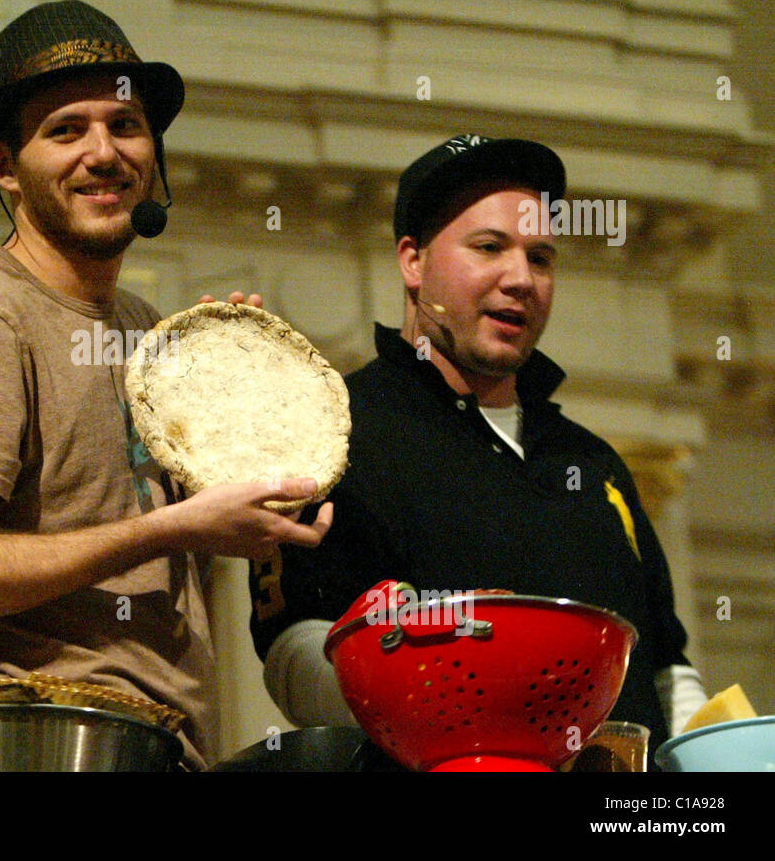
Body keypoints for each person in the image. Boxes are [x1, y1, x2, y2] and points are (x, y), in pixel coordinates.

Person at [0, 0, 331, 768]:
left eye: (125, 125)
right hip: (47, 744)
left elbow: (208, 522)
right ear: (5, 167)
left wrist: (246, 413)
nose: (103, 151)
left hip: (163, 746)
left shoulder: (146, 328)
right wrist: (166, 529)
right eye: (67, 130)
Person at [250, 135, 707, 760]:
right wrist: (448, 723)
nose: (521, 279)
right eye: (490, 247)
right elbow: (290, 647)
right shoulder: (330, 427)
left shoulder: (594, 463)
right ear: (413, 261)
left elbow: (666, 670)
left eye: (540, 257)